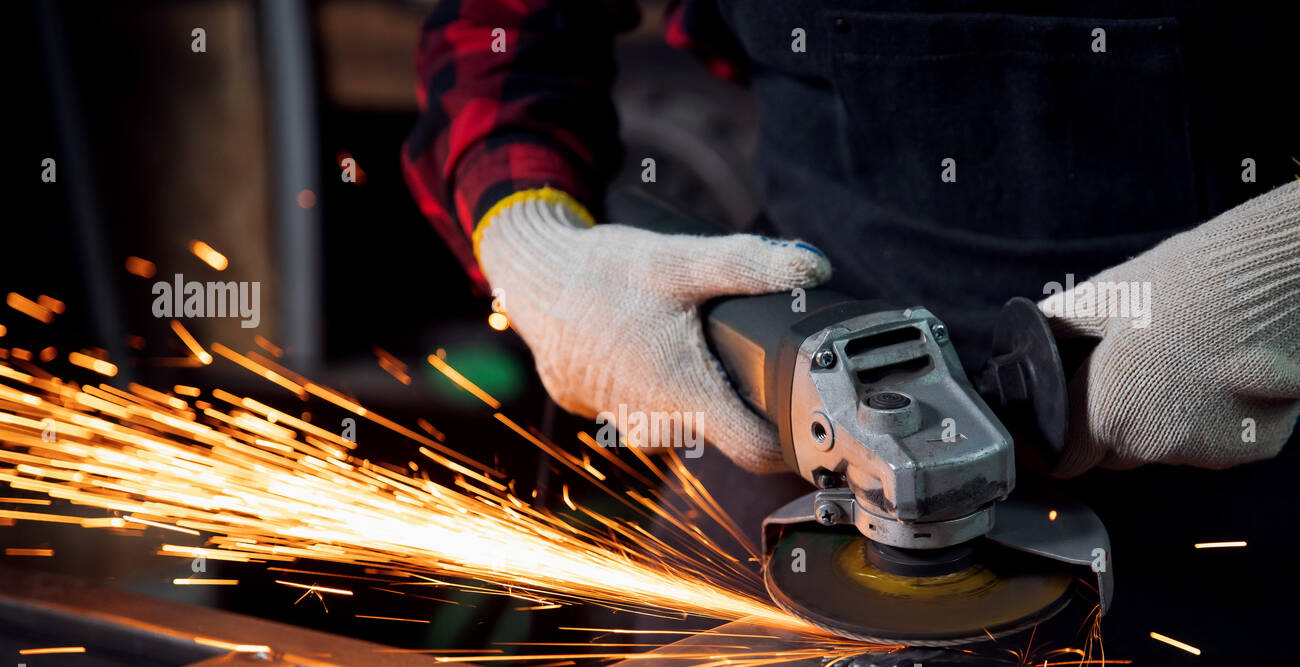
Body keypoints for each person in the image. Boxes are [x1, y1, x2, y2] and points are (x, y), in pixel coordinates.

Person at [402, 1, 1298, 494]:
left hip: (1243, 388)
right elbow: (499, 26)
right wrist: (530, 239)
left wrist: (1278, 275)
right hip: (803, 381)